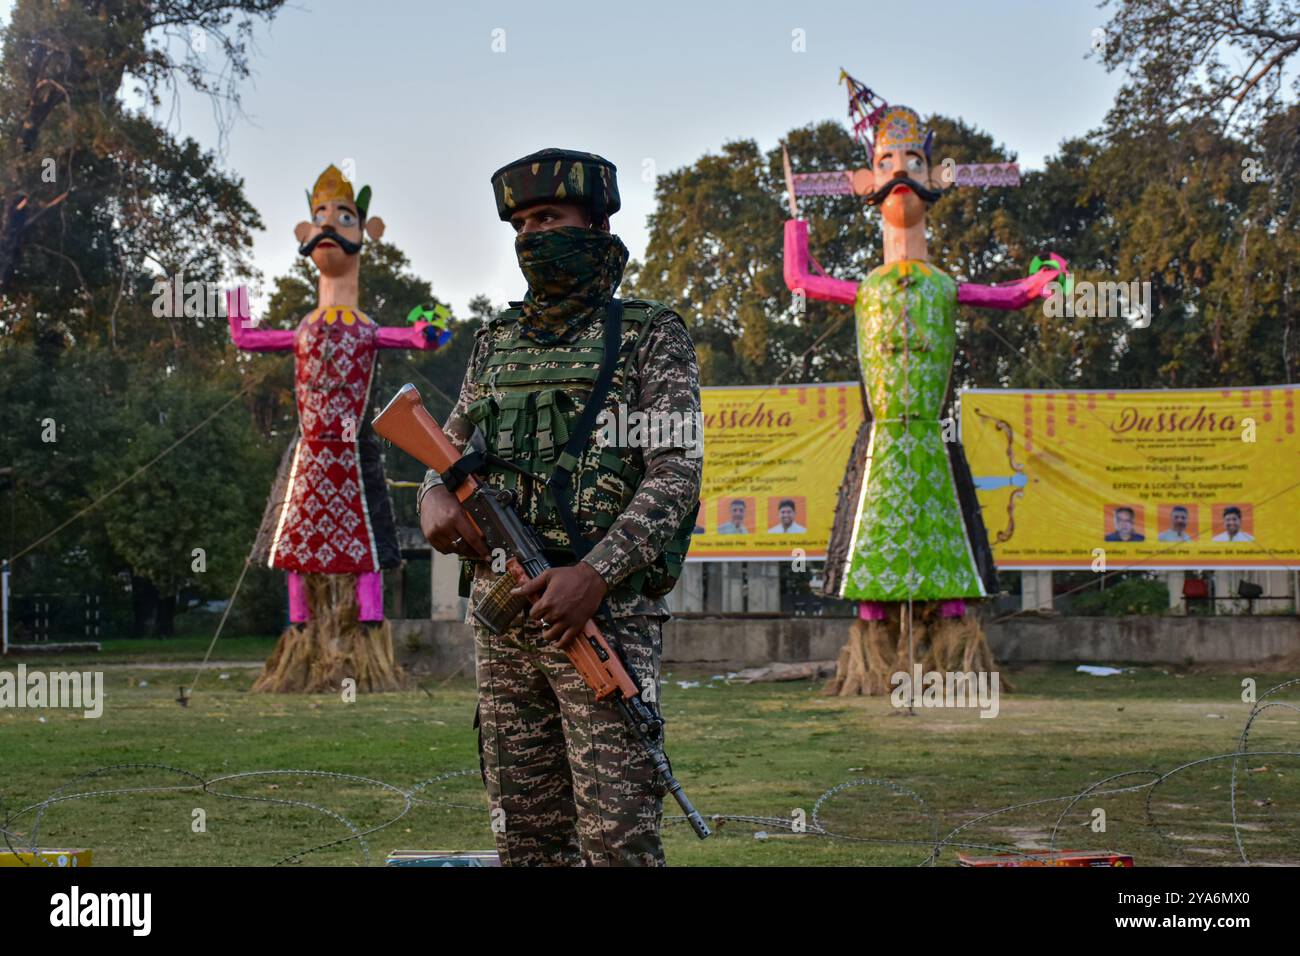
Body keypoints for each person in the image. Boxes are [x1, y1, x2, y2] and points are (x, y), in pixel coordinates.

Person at [417, 148, 701, 866]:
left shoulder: (648, 333)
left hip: (603, 617)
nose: (531, 237)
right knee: (527, 835)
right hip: (506, 615)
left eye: (548, 218)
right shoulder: (496, 343)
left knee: (618, 837)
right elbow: (447, 446)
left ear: (596, 223)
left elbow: (676, 470)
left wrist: (597, 574)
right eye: (519, 225)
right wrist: (431, 498)